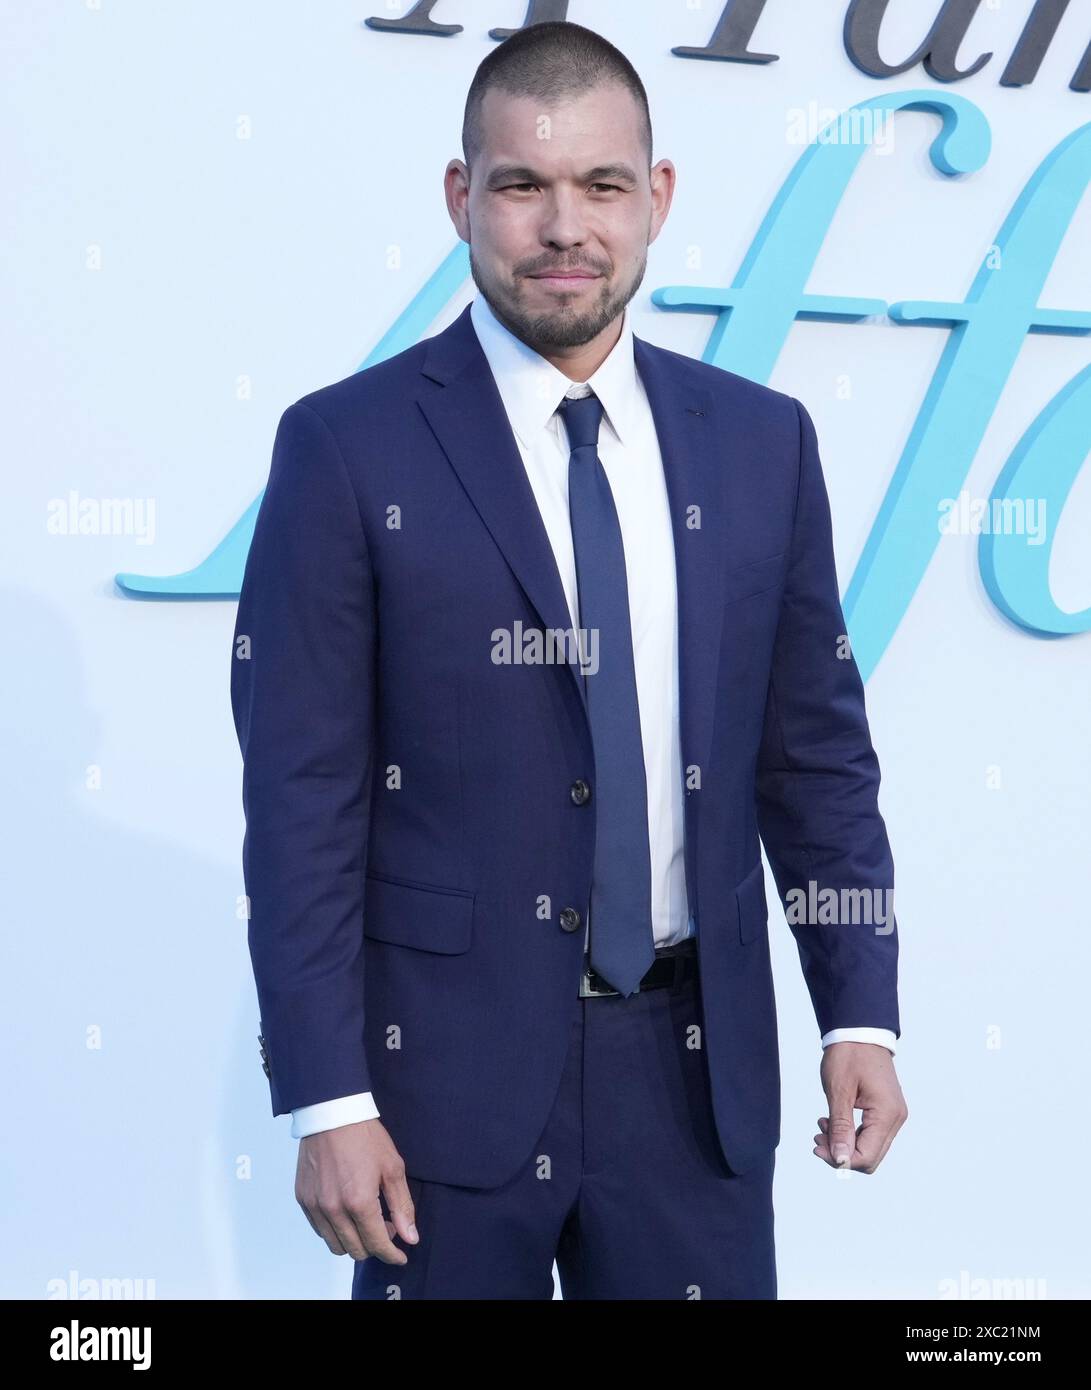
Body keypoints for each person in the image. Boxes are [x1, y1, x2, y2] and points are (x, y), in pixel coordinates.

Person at [230, 19, 907, 1301]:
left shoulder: (760, 446)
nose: (563, 227)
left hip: (693, 1079)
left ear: (654, 200)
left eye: (600, 185)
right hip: (439, 1087)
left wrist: (856, 1010)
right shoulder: (346, 447)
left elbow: (813, 759)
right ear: (459, 198)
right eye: (521, 186)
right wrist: (325, 1092)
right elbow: (299, 798)